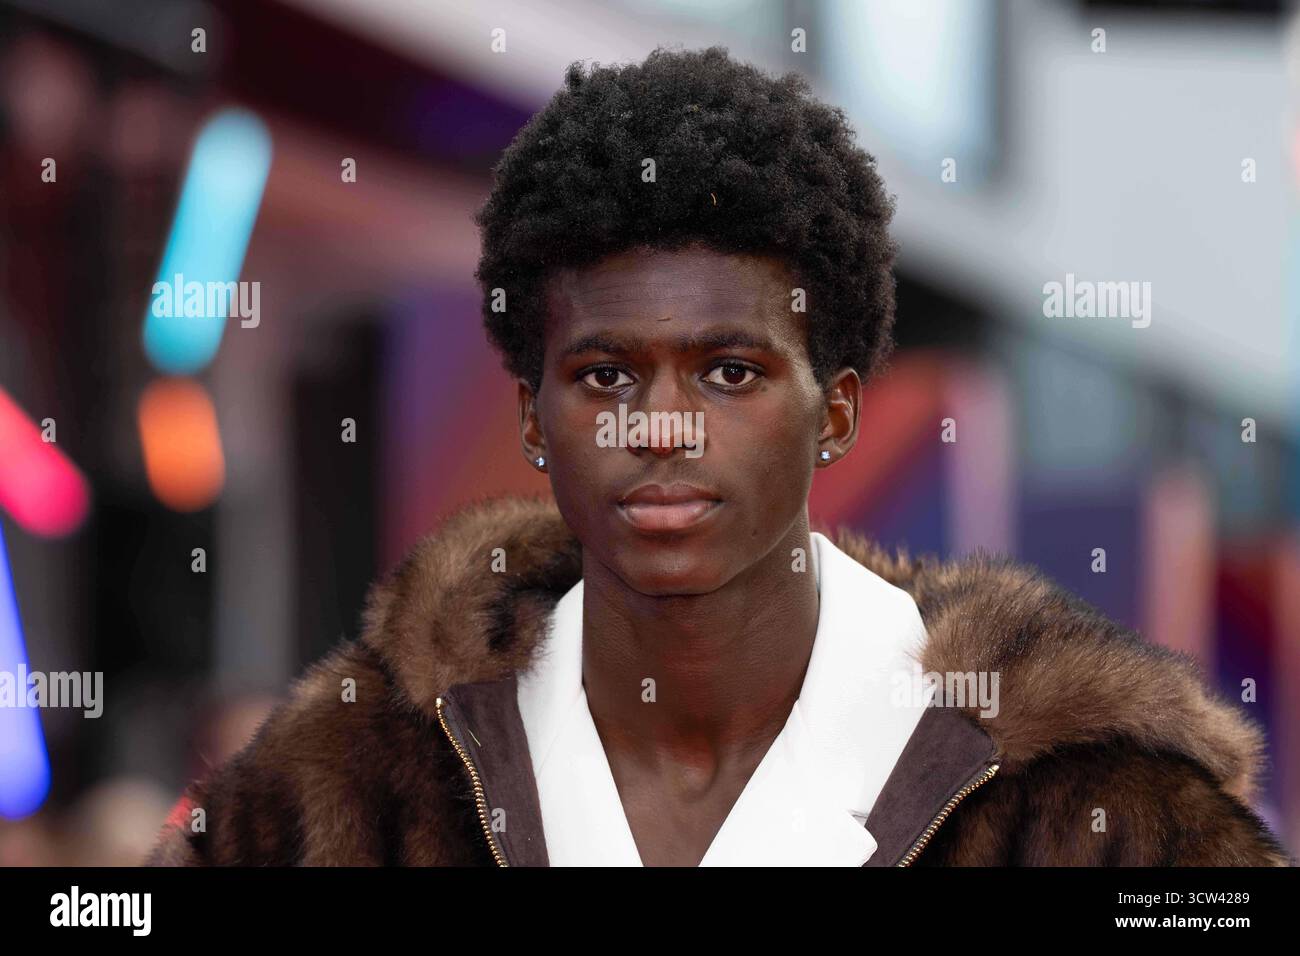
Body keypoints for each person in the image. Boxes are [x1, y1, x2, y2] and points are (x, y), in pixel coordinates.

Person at [146, 47, 1289, 867]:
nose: (662, 427)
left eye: (729, 371)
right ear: (535, 420)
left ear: (834, 413)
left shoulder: (1099, 807)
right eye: (604, 375)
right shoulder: (343, 779)